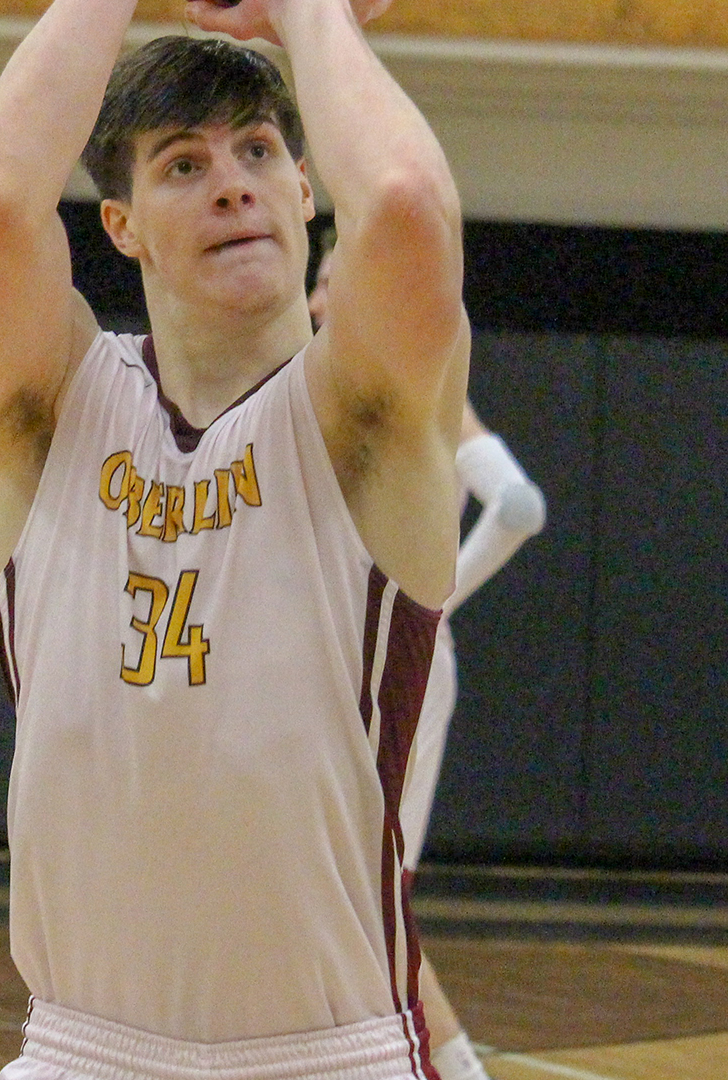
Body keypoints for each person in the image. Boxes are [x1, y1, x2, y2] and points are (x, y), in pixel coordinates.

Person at [0, 0, 468, 1075]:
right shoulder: (54, 405)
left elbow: (406, 204)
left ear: (308, 192)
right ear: (121, 226)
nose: (233, 184)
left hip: (328, 1056)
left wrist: (306, 6)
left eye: (259, 151)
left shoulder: (363, 414)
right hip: (83, 1050)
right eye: (184, 164)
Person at [311, 237, 547, 1080]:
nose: (318, 300)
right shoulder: (343, 389)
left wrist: (432, 600)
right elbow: (516, 506)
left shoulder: (409, 390)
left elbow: (519, 507)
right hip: (355, 662)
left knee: (368, 898)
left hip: (389, 667)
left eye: (332, 282)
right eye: (318, 283)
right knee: (343, 896)